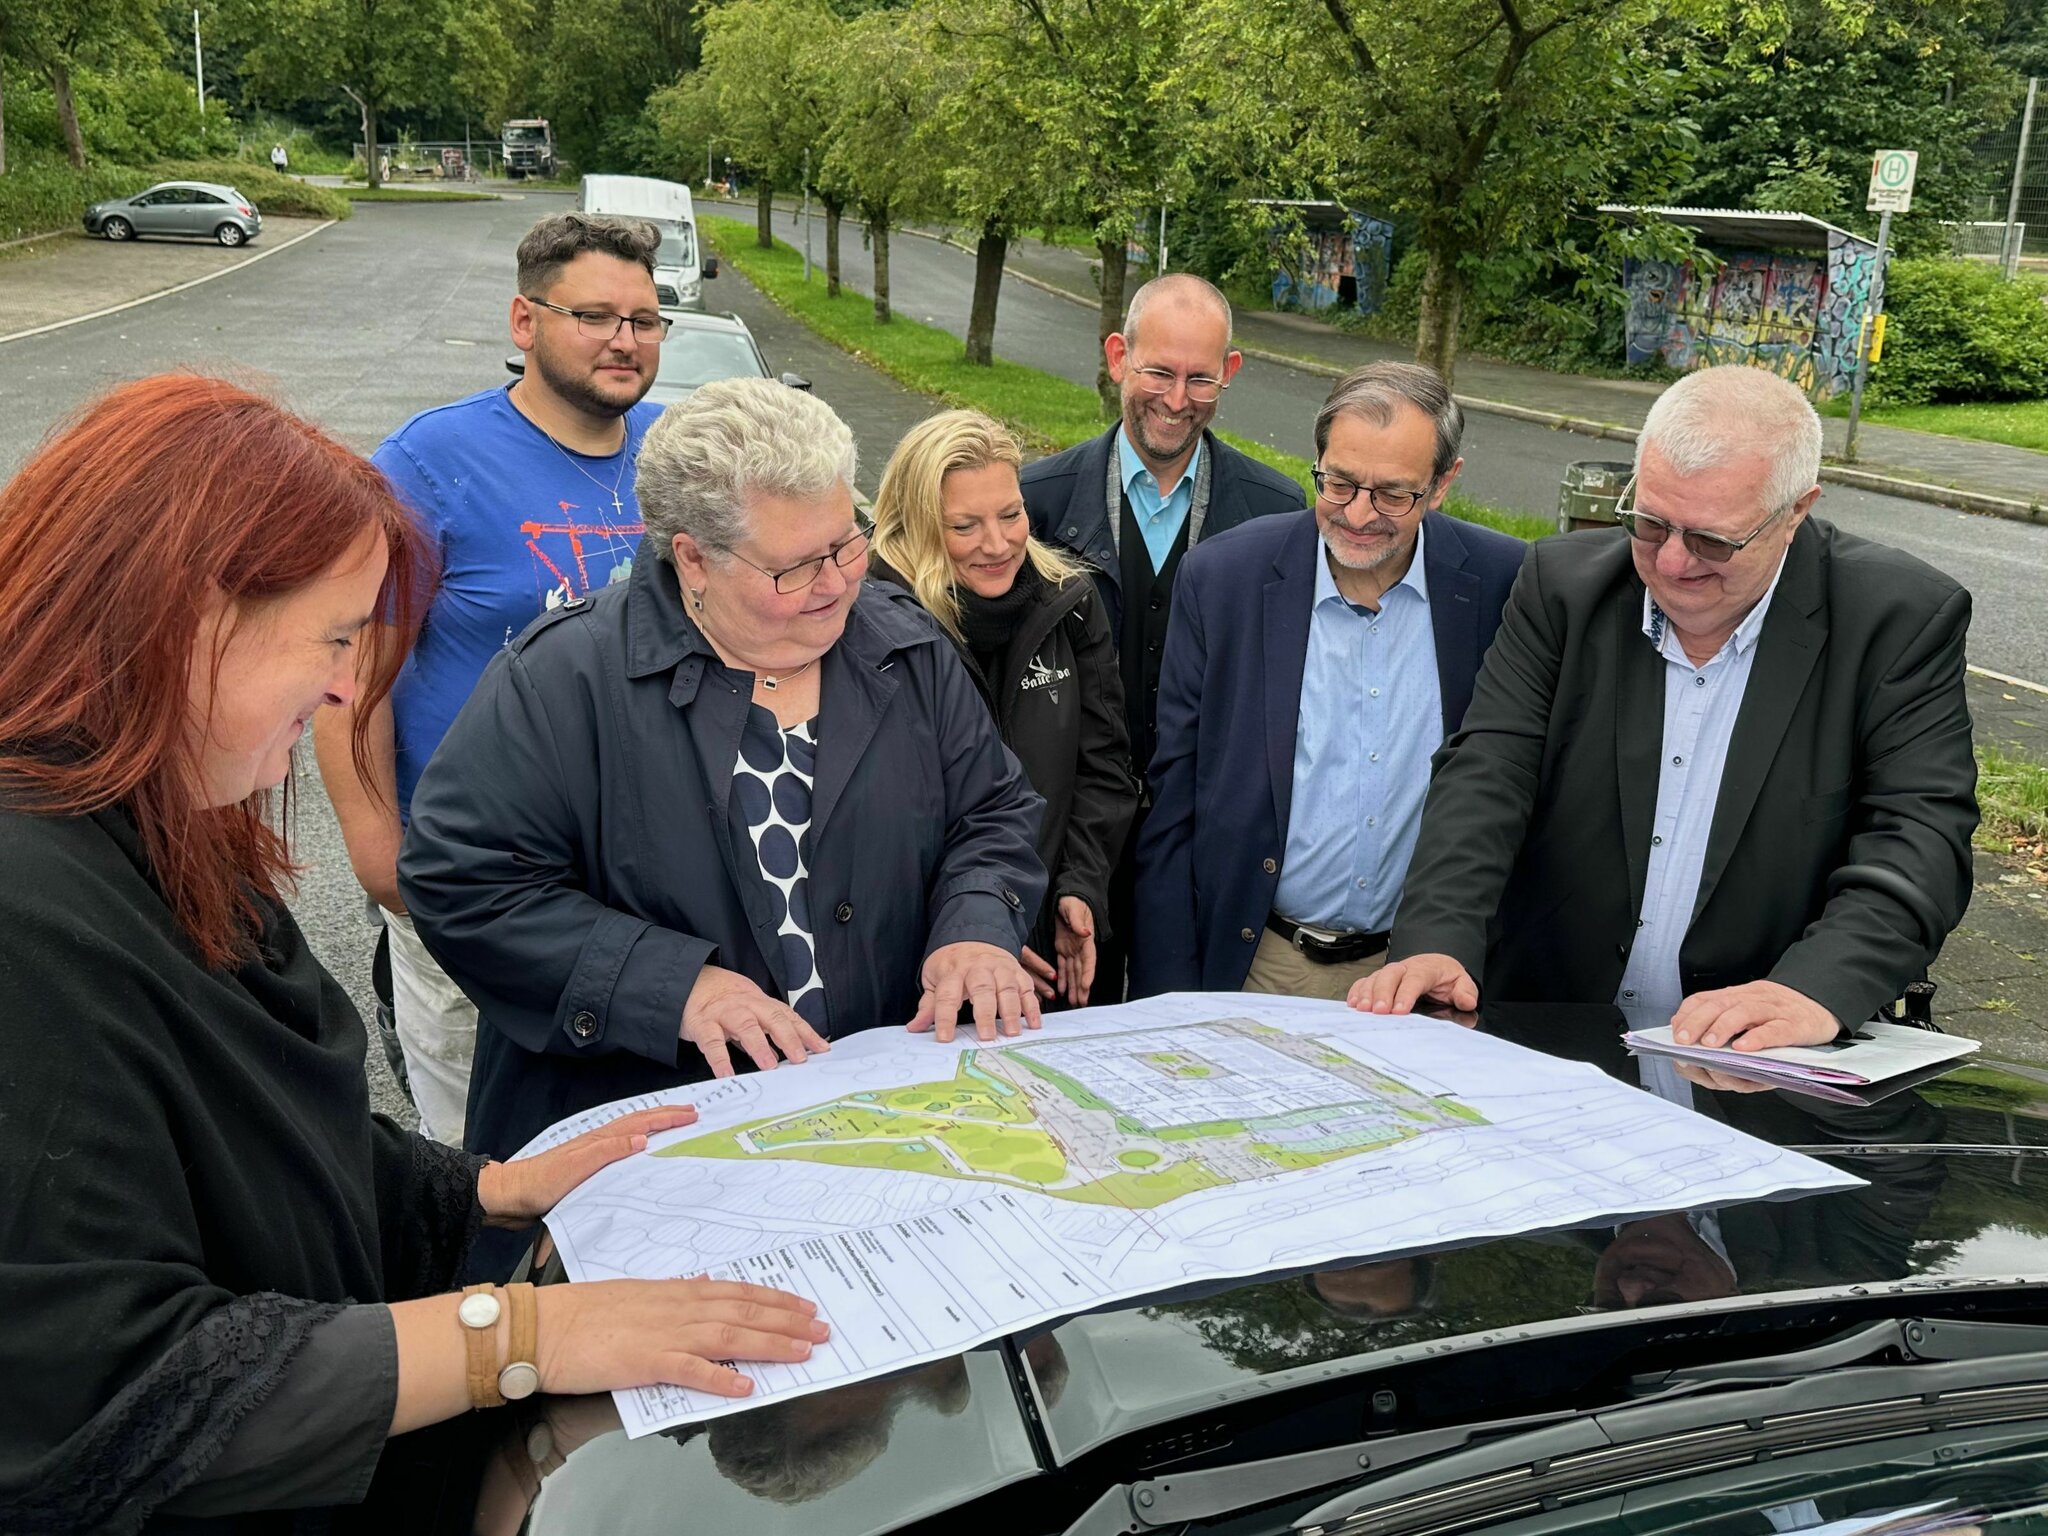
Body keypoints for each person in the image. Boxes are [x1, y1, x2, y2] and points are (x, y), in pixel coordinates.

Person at [0, 376, 830, 1533]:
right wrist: (516, 1339)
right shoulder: (27, 925)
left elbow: (264, 1148)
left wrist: (485, 1189)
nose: (350, 686)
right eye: (335, 637)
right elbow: (97, 1392)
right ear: (182, 619)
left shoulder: (156, 831)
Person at [400, 377, 1048, 1172]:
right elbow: (461, 879)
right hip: (653, 1143)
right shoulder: (561, 680)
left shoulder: (903, 645)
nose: (840, 582)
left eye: (848, 543)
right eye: (796, 568)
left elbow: (991, 810)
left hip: (878, 1123)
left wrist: (977, 927)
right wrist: (672, 987)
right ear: (693, 560)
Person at [1356, 365, 1978, 1053]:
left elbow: (1919, 838)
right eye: (1650, 524)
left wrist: (1816, 988)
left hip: (1760, 1059)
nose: (1674, 564)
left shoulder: (1895, 621)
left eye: (1713, 541)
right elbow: (1487, 774)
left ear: (1797, 510)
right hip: (1552, 1030)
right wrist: (1438, 939)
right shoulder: (1563, 590)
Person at [315, 211, 669, 1147]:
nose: (625, 340)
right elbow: (353, 672)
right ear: (525, 322)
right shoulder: (428, 465)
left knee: (628, 1131)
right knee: (485, 1146)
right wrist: (379, 853)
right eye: (595, 315)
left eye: (645, 318)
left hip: (642, 880)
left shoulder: (677, 456)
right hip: (478, 875)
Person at [1133, 364, 1524, 999]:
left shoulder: (1504, 585)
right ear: (1317, 459)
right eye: (1339, 483)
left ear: (1444, 483)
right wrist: (1167, 991)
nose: (1359, 515)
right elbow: (1173, 804)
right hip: (1261, 966)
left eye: (1394, 494)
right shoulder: (1222, 580)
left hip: (1424, 978)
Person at [1023, 272, 1302, 999]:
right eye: (1158, 372)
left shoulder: (1275, 517)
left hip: (1197, 856)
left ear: (1230, 374)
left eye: (1200, 379)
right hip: (1067, 849)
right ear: (1118, 356)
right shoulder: (1034, 505)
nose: (1177, 401)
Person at [869, 410, 1138, 1007]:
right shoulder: (870, 626)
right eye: (965, 526)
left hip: (1042, 953)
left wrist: (1080, 889)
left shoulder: (1071, 603)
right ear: (917, 526)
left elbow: (1104, 771)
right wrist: (976, 931)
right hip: (916, 965)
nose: (998, 544)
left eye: (1012, 515)